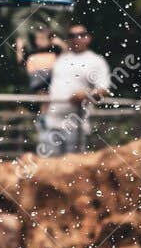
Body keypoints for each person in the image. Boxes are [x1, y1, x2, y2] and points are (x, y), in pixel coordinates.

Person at [40, 23, 111, 156]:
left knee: (73, 170)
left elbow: (104, 90)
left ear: (88, 38)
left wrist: (86, 94)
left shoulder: (96, 61)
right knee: (48, 169)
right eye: (72, 36)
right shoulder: (61, 58)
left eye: (81, 35)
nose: (76, 38)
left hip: (75, 125)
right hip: (51, 123)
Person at [15, 25, 60, 93]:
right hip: (36, 83)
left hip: (51, 82)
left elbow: (67, 57)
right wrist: (19, 48)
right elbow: (20, 62)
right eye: (37, 38)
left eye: (41, 38)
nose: (38, 41)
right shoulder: (31, 53)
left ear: (50, 39)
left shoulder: (56, 51)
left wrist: (59, 42)